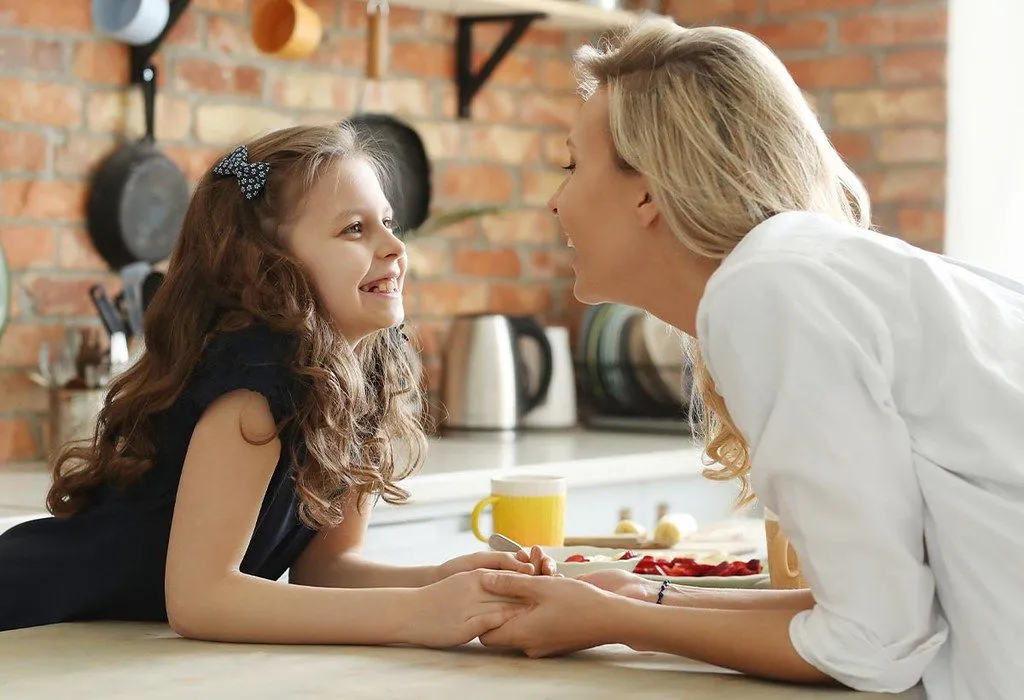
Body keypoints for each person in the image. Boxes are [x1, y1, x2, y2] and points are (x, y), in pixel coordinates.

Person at [476, 17, 1024, 700]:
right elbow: (880, 623)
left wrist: (619, 620)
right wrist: (644, 595)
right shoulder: (799, 271)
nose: (557, 201)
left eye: (572, 164)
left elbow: (872, 649)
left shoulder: (769, 291)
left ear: (647, 188)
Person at [0, 122, 554, 644]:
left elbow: (327, 569)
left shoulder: (362, 382)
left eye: (389, 222)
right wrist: (416, 614)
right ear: (266, 266)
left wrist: (442, 579)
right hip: (32, 616)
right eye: (354, 229)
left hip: (101, 644)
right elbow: (201, 599)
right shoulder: (254, 390)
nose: (393, 246)